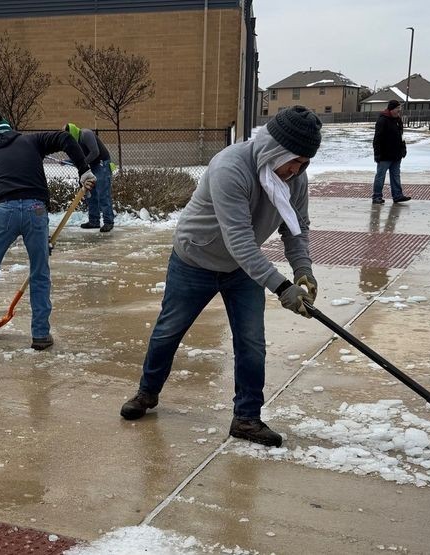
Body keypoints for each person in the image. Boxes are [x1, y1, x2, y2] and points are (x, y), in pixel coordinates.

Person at [118, 105, 322, 448]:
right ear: (276, 150)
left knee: (251, 342)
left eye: (304, 163)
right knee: (169, 331)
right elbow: (239, 239)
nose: (297, 170)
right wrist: (281, 286)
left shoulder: (294, 179)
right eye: (295, 161)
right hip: (194, 259)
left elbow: (296, 230)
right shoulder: (231, 167)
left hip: (242, 269)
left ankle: (246, 418)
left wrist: (303, 271)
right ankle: (147, 393)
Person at [0, 113, 96, 351]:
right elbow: (65, 138)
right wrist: (83, 170)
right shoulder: (31, 141)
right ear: (10, 131)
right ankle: (40, 335)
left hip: (5, 212)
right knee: (39, 271)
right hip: (36, 211)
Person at [64, 123, 115, 232]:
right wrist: (67, 162)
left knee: (103, 195)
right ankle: (94, 221)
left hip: (102, 165)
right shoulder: (74, 141)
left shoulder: (85, 134)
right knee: (91, 195)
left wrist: (83, 163)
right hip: (91, 166)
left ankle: (108, 222)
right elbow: (80, 157)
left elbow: (95, 152)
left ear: (72, 133)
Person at [372, 99, 411, 205]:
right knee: (380, 176)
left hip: (396, 154)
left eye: (399, 108)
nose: (399, 110)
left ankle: (397, 195)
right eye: (397, 108)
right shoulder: (382, 120)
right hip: (384, 155)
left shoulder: (398, 120)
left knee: (396, 175)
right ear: (392, 109)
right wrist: (377, 153)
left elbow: (401, 136)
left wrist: (403, 148)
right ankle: (377, 196)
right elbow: (377, 138)